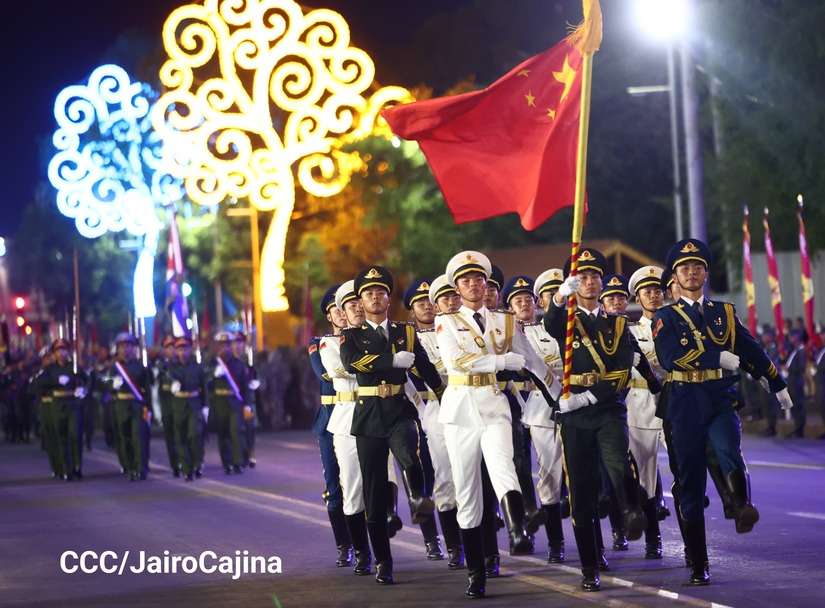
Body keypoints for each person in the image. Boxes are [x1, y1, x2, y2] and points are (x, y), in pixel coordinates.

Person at [653, 238, 792, 585]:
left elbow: (751, 351)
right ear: (675, 276)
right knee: (690, 479)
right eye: (685, 268)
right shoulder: (665, 317)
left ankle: (741, 504)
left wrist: (776, 383)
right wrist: (714, 356)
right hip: (684, 401)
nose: (692, 272)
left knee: (729, 447)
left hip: (718, 396)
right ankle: (698, 562)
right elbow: (670, 358)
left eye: (698, 266)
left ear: (705, 273)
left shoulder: (724, 312)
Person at [438, 251, 560, 598]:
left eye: (479, 280)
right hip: (460, 411)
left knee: (503, 466)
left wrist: (560, 395)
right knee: (468, 493)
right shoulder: (446, 322)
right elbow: (455, 361)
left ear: (488, 284)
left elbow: (535, 362)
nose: (474, 285)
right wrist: (499, 359)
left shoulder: (505, 322)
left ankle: (518, 529)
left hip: (494, 406)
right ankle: (476, 571)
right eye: (466, 281)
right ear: (458, 288)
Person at [543, 248, 648, 592]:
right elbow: (551, 323)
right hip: (574, 418)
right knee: (582, 493)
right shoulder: (567, 321)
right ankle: (590, 565)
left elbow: (620, 368)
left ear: (601, 283)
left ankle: (631, 510)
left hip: (605, 408)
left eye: (594, 277)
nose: (589, 283)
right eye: (583, 277)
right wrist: (560, 295)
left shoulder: (617, 323)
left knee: (619, 459)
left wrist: (590, 395)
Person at [339, 266, 446, 585]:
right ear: (361, 300)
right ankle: (383, 561)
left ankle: (417, 498)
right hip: (369, 414)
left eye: (380, 292)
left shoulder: (406, 333)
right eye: (368, 293)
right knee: (373, 494)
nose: (374, 297)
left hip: (400, 409)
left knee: (410, 455)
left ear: (389, 298)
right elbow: (351, 363)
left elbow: (426, 367)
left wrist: (444, 395)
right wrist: (389, 360)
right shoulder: (352, 335)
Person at [503, 274, 566, 564]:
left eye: (529, 299)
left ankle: (565, 541)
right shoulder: (505, 334)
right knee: (526, 471)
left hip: (555, 403)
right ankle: (534, 528)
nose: (526, 304)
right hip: (524, 404)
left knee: (562, 472)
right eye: (519, 301)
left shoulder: (550, 329)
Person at [405, 277, 463, 569]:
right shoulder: (408, 338)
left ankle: (464, 540)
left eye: (431, 300)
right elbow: (405, 384)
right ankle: (435, 539)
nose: (427, 306)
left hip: (459, 406)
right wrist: (421, 413)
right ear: (412, 310)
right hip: (427, 412)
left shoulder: (451, 330)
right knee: (432, 480)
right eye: (420, 303)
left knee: (460, 476)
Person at [320, 281, 374, 576]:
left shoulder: (378, 338)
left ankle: (381, 552)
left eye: (357, 304)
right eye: (345, 307)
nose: (352, 310)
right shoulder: (327, 344)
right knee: (351, 488)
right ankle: (359, 551)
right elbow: (341, 370)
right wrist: (378, 363)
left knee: (378, 487)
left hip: (376, 414)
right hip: (345, 417)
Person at [308, 284, 353, 569]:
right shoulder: (319, 343)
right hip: (331, 417)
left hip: (360, 413)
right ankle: (344, 545)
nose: (342, 313)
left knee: (362, 483)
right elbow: (325, 373)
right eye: (336, 308)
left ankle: (365, 542)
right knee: (334, 484)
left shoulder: (365, 340)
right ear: (330, 315)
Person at [107, 333, 151, 481]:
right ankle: (129, 466)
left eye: (130, 346)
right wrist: (112, 385)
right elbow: (106, 386)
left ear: (134, 349)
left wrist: (148, 408)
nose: (127, 350)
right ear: (118, 349)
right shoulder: (114, 368)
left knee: (139, 437)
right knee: (124, 438)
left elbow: (147, 389)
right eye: (123, 347)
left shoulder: (140, 366)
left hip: (137, 405)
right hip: (120, 405)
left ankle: (141, 468)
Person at [209, 331, 252, 473]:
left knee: (236, 431)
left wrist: (247, 405)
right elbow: (206, 385)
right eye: (222, 345)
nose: (224, 348)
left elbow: (244, 387)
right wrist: (213, 375)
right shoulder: (211, 364)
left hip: (235, 402)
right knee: (223, 433)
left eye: (227, 345)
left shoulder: (239, 364)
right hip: (219, 402)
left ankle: (238, 462)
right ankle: (227, 463)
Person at [169, 336, 208, 482]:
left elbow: (203, 387)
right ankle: (186, 468)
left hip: (194, 404)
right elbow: (166, 382)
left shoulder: (196, 367)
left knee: (195, 435)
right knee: (181, 438)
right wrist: (171, 386)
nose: (182, 353)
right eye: (179, 349)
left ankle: (198, 463)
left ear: (190, 350)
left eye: (185, 349)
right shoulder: (171, 368)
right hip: (179, 405)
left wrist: (206, 406)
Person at [157, 336, 180, 477]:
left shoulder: (182, 363)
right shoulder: (162, 365)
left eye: (173, 347)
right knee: (170, 435)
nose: (171, 350)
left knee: (182, 433)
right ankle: (175, 464)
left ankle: (185, 461)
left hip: (181, 401)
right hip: (167, 402)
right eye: (168, 348)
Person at [782, 328, 808, 438]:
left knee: (798, 405)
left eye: (792, 337)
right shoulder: (794, 350)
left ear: (797, 337)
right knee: (794, 406)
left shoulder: (802, 350)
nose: (790, 339)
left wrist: (789, 369)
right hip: (791, 380)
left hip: (797, 381)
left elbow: (801, 368)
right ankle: (796, 428)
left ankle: (800, 429)